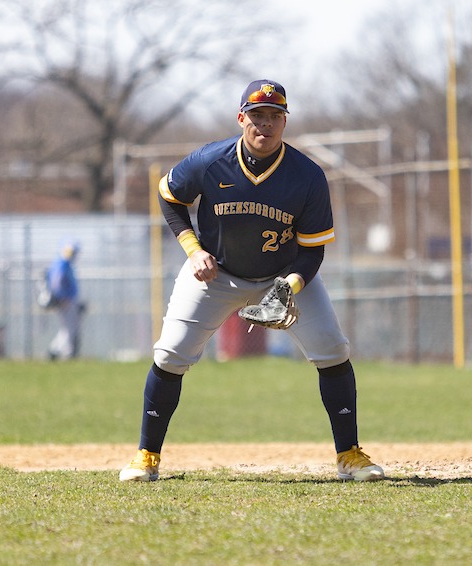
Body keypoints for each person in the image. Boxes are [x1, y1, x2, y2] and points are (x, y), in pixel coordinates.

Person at [119, 79, 384, 482]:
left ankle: (349, 455)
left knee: (333, 351)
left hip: (282, 275)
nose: (266, 124)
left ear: (285, 122)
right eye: (257, 115)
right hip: (216, 273)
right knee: (170, 354)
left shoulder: (307, 175)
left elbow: (312, 250)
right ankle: (146, 455)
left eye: (275, 116)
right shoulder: (211, 161)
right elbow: (169, 196)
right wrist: (193, 249)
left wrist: (289, 287)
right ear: (241, 118)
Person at [47, 239, 83, 360]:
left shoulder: (65, 264)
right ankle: (63, 352)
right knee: (69, 328)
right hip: (66, 301)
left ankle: (58, 350)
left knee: (68, 328)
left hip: (67, 300)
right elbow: (57, 282)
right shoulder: (62, 264)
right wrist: (63, 297)